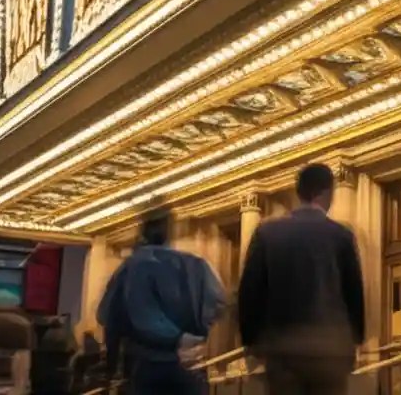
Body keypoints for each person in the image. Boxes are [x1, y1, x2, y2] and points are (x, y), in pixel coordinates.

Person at [238, 164, 366, 395]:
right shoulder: (341, 236)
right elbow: (353, 293)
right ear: (327, 192)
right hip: (329, 349)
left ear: (299, 192)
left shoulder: (267, 233)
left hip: (283, 348)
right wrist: (355, 339)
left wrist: (250, 342)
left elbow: (250, 292)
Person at [98, 207, 227, 395]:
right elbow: (219, 303)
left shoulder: (131, 268)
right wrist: (196, 336)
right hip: (190, 367)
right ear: (170, 231)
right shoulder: (194, 264)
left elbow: (111, 320)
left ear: (143, 231)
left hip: (145, 367)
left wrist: (110, 370)